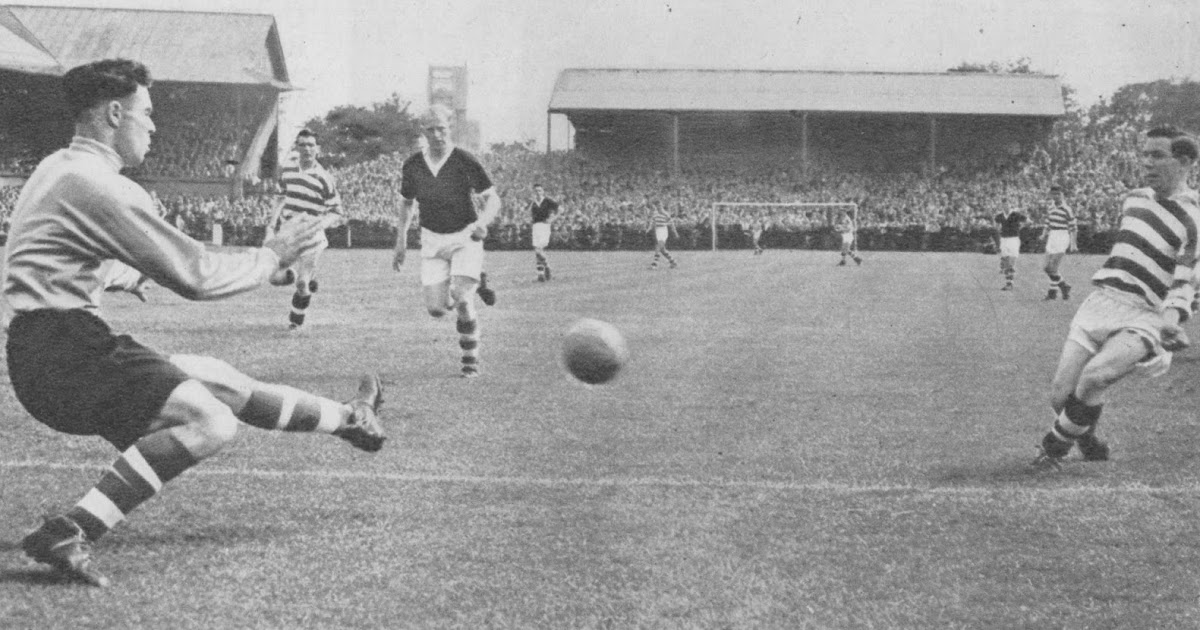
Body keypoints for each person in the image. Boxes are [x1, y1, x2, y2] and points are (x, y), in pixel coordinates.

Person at [5, 59, 386, 587]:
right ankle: (75, 528)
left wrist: (118, 277)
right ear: (115, 113)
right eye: (147, 113)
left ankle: (349, 418)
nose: (154, 126)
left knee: (217, 380)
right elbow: (197, 276)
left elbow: (44, 253)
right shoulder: (98, 183)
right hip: (64, 350)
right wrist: (269, 256)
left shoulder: (58, 168)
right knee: (209, 421)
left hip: (49, 348)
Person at [1033, 127, 1200, 469]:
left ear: (1184, 161)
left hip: (1147, 313)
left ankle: (1052, 448)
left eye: (1157, 156)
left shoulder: (1194, 219)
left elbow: (1186, 279)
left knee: (1096, 377)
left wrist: (1170, 321)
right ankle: (1088, 439)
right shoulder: (1135, 198)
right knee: (1061, 396)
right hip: (1102, 302)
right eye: (1144, 155)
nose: (1146, 163)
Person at [393, 105, 500, 377]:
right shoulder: (413, 165)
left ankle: (470, 361)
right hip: (431, 239)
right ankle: (477, 281)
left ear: (450, 128)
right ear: (423, 132)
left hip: (465, 236)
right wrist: (401, 240)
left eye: (442, 128)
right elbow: (406, 204)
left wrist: (482, 223)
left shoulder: (464, 159)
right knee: (436, 309)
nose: (438, 134)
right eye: (431, 129)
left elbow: (492, 199)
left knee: (461, 299)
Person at [269, 129, 343, 331]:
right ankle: (299, 275)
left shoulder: (324, 178)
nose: (307, 149)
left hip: (312, 234)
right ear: (297, 147)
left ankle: (296, 320)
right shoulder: (287, 171)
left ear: (317, 148)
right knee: (274, 277)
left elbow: (336, 211)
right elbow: (279, 197)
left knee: (302, 284)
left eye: (311, 145)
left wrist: (320, 225)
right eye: (303, 145)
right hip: (289, 232)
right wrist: (271, 224)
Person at [1041, 184, 1077, 300]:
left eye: (1058, 194)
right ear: (1051, 195)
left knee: (1053, 266)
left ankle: (1052, 292)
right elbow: (1047, 222)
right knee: (1046, 267)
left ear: (1062, 195)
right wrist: (1043, 234)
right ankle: (1064, 286)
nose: (1056, 196)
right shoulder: (1051, 207)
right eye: (1054, 194)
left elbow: (1073, 227)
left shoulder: (1067, 209)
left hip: (1062, 236)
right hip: (1052, 236)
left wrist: (1073, 244)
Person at [528, 183, 559, 281]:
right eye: (536, 191)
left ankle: (547, 267)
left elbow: (560, 210)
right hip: (535, 227)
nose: (537, 193)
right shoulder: (533, 203)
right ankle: (541, 274)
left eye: (539, 190)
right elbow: (529, 213)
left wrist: (552, 219)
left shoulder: (547, 201)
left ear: (543, 191)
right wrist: (530, 219)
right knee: (537, 252)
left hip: (544, 226)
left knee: (538, 250)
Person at [995, 207, 1026, 290]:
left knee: (1011, 262)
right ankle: (1009, 282)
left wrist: (1018, 228)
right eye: (1004, 204)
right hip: (1004, 239)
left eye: (1007, 203)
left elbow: (1027, 221)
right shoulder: (1000, 216)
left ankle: (1009, 283)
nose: (1006, 206)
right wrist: (1000, 231)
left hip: (1013, 239)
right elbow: (997, 226)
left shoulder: (1016, 214)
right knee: (1006, 261)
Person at [646, 200, 678, 269]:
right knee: (662, 249)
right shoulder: (655, 213)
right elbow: (653, 222)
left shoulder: (665, 213)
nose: (659, 207)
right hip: (657, 231)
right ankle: (673, 262)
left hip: (663, 230)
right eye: (657, 205)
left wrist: (675, 232)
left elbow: (672, 223)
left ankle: (654, 264)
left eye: (660, 205)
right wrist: (649, 228)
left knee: (658, 246)